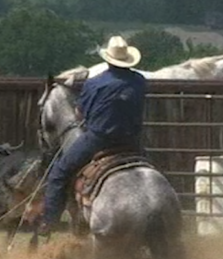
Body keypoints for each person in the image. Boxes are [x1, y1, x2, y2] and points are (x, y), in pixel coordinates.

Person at [35, 35, 147, 238]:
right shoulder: (139, 81)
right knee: (148, 169)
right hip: (132, 142)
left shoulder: (95, 83)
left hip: (98, 140)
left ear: (108, 59)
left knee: (59, 172)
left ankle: (49, 221)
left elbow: (79, 113)